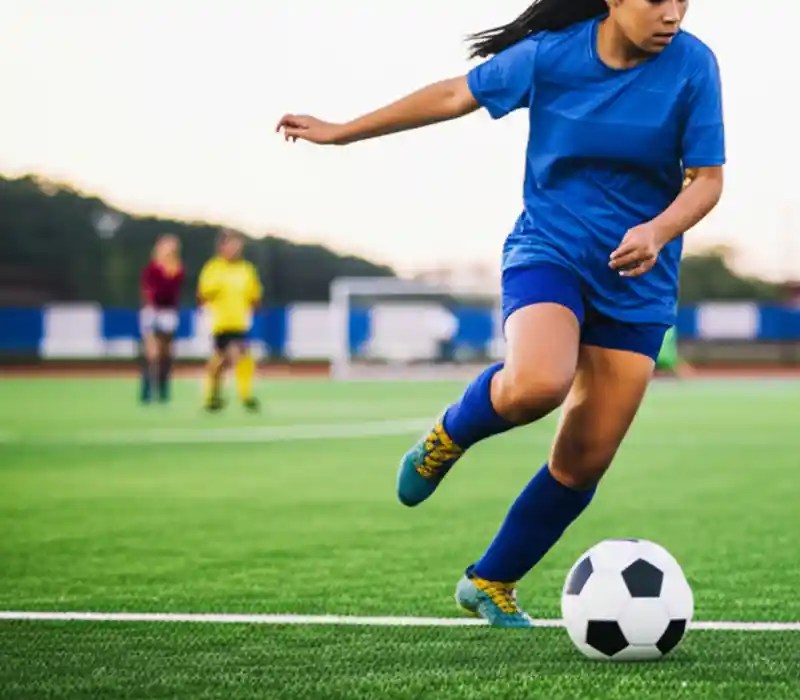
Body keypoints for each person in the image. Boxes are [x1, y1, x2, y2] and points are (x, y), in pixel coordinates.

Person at [276, 0, 724, 627]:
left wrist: (657, 230)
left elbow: (706, 179)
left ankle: (491, 580)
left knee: (584, 460)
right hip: (552, 251)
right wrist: (342, 130)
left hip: (640, 276)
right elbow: (453, 96)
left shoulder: (695, 65)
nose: (673, 12)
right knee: (540, 381)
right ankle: (447, 437)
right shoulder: (552, 55)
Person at [196, 230, 263, 413]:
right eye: (232, 244)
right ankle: (213, 395)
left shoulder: (246, 269)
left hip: (240, 321)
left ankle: (243, 395)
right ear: (222, 246)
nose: (235, 249)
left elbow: (255, 295)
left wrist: (255, 308)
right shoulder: (213, 268)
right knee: (223, 359)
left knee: (239, 355)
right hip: (219, 322)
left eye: (238, 245)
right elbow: (202, 294)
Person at [139, 233, 185, 404]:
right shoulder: (151, 269)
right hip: (152, 312)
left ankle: (163, 391)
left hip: (168, 313)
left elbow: (172, 292)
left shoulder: (177, 270)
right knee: (152, 353)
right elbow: (148, 292)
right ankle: (146, 391)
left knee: (166, 353)